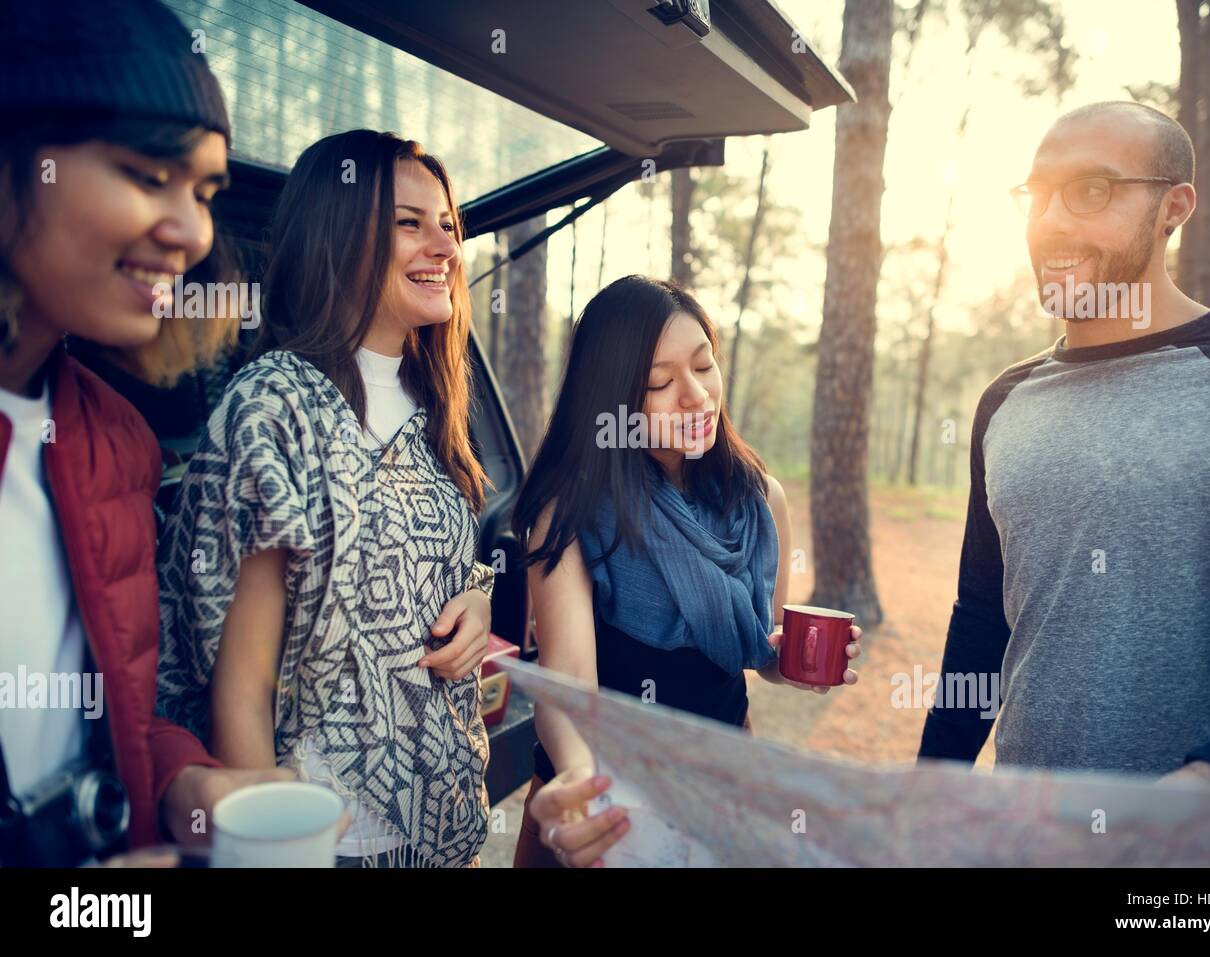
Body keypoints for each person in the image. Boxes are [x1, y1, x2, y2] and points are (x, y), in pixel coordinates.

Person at [917, 101, 1210, 778]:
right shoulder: (1005, 400)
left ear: (1174, 207)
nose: (1052, 221)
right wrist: (928, 785)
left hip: (1204, 859)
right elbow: (982, 620)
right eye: (1037, 195)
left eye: (1092, 191)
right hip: (1030, 835)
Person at [154, 129, 497, 867]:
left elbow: (417, 565)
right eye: (409, 222)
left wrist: (475, 602)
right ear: (339, 236)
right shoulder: (276, 406)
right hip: (326, 839)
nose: (443, 244)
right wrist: (274, 847)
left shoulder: (435, 404)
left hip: (447, 833)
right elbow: (240, 687)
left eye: (447, 224)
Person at [0, 0, 289, 866]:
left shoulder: (116, 442)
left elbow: (101, 717)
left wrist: (182, 785)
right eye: (143, 174)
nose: (192, 231)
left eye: (203, 192)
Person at [510, 276, 863, 868]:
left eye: (705, 366)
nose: (696, 395)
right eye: (660, 382)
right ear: (611, 399)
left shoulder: (759, 501)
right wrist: (581, 788)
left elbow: (760, 650)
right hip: (605, 800)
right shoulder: (569, 513)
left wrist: (796, 665)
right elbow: (569, 683)